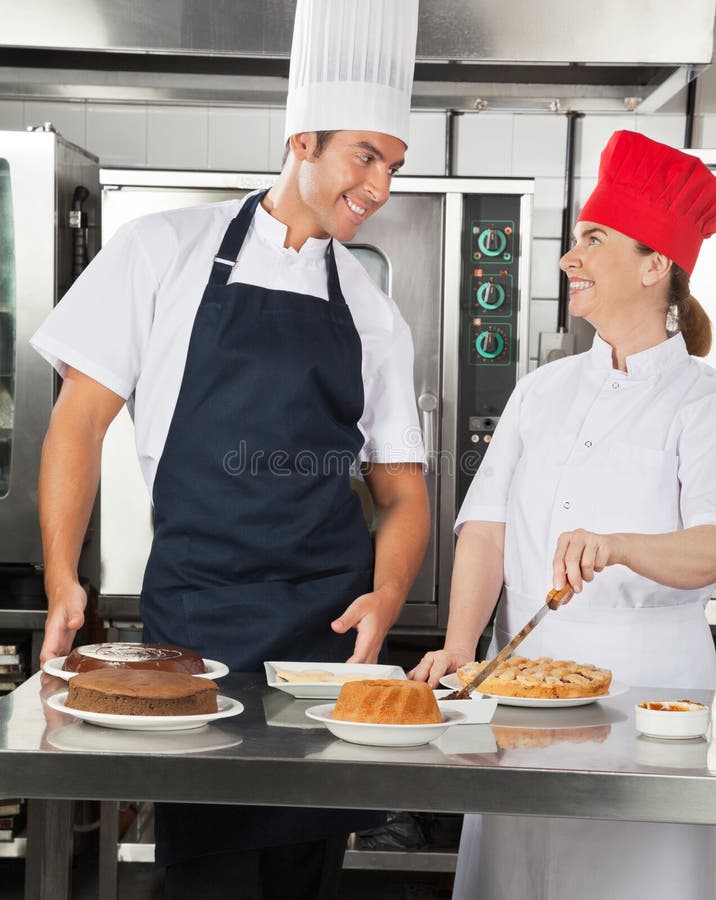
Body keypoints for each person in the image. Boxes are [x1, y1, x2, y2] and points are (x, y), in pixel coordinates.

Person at [31, 1, 428, 897]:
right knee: (207, 873)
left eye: (394, 166)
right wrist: (63, 576)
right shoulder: (162, 251)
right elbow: (77, 423)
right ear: (301, 142)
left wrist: (387, 595)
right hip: (198, 634)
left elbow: (403, 495)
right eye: (365, 156)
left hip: (326, 644)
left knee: (305, 873)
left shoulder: (373, 313)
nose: (380, 186)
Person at [410, 130, 716, 900]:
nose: (567, 258)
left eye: (592, 240)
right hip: (519, 688)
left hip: (651, 699)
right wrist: (457, 649)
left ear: (656, 266)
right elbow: (485, 527)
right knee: (520, 878)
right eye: (575, 238)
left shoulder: (701, 400)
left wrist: (617, 546)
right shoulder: (542, 390)